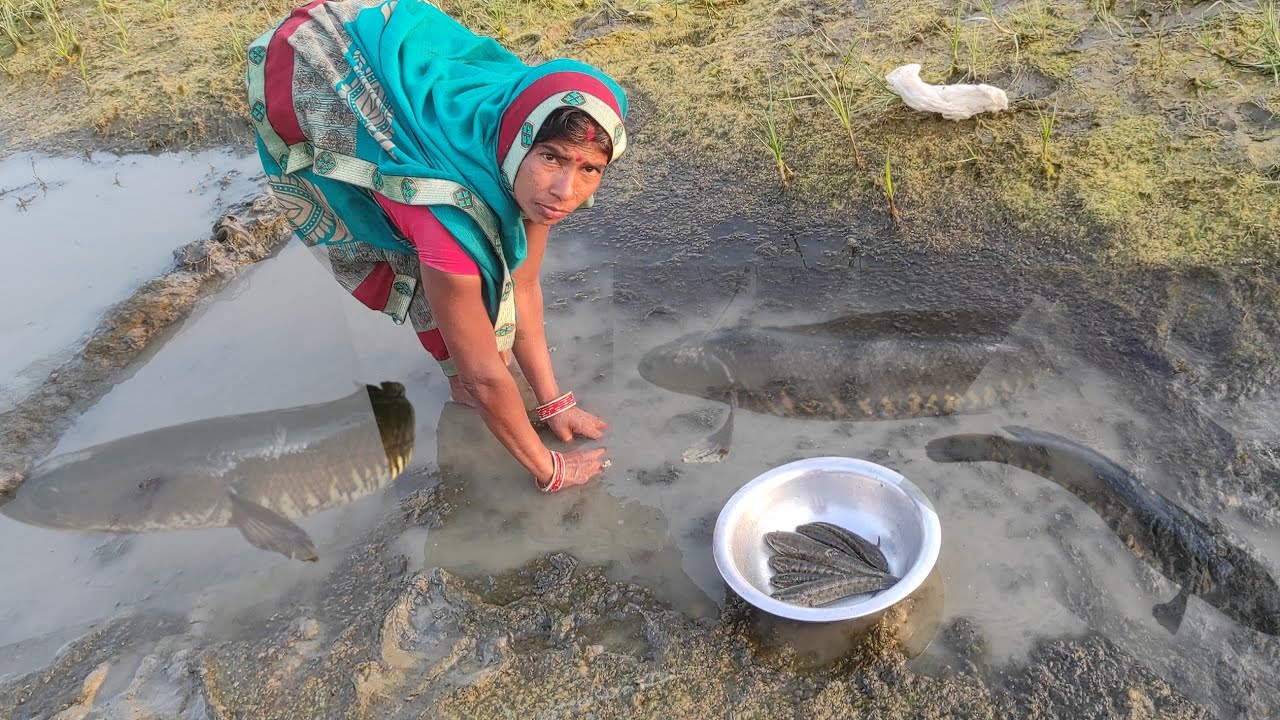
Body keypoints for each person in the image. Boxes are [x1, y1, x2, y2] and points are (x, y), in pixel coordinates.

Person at [245, 0, 627, 492]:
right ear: (520, 145)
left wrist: (554, 401)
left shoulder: (534, 147)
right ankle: (459, 371)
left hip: (426, 79)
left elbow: (525, 282)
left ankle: (472, 367)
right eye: (552, 158)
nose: (565, 191)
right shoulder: (447, 221)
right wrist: (550, 469)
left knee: (477, 289)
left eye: (589, 169)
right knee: (437, 270)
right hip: (320, 60)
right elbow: (486, 379)